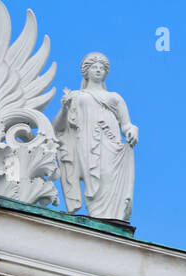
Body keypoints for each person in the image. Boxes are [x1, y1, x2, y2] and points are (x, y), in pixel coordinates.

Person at [53, 52, 139, 221]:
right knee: (94, 181)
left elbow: (126, 124)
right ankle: (98, 218)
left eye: (102, 68)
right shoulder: (77, 96)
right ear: (86, 71)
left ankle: (113, 218)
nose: (99, 70)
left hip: (111, 143)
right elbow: (57, 128)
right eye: (94, 67)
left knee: (109, 177)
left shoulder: (114, 97)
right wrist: (64, 108)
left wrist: (132, 131)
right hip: (86, 142)